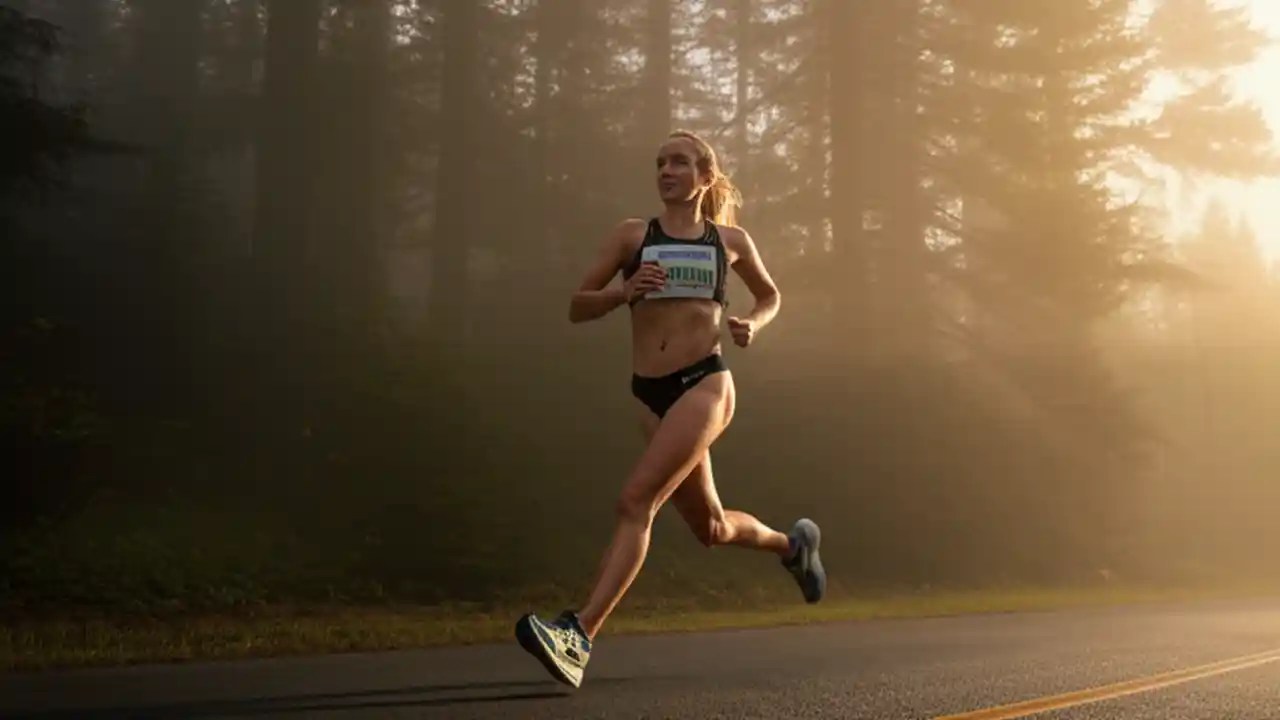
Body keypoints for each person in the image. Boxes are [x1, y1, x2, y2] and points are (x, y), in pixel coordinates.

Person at [515, 130, 825, 689]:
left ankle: (578, 634)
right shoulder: (633, 236)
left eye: (679, 161)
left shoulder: (729, 240)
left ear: (704, 177)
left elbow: (771, 295)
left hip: (705, 384)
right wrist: (623, 292)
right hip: (648, 393)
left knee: (636, 501)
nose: (665, 170)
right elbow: (576, 307)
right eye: (659, 162)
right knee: (710, 527)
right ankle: (793, 545)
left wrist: (751, 323)